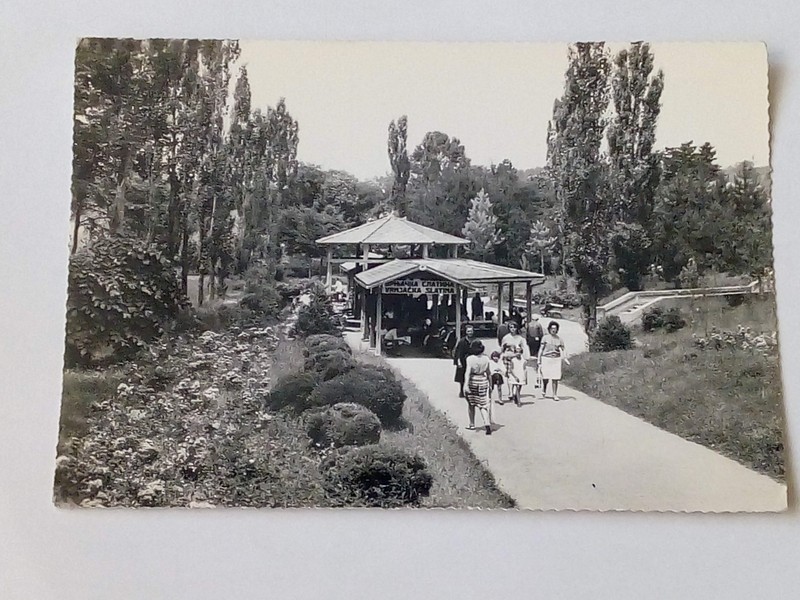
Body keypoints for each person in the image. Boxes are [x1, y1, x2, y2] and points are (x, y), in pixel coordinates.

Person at [464, 339, 492, 435]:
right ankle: (487, 423)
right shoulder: (486, 359)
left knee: (471, 404)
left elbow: (467, 373)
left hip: (473, 381)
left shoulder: (470, 359)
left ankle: (472, 424)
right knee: (483, 404)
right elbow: (489, 373)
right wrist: (490, 385)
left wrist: (465, 385)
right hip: (483, 381)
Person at [501, 321, 530, 406]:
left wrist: (526, 357)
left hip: (517, 358)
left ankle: (516, 393)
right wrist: (502, 355)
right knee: (509, 374)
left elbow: (524, 348)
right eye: (511, 327)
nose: (512, 329)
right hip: (508, 356)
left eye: (514, 327)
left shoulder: (520, 338)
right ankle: (511, 392)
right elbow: (502, 348)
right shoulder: (506, 337)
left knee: (518, 374)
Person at [537, 320, 568, 401]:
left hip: (556, 359)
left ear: (557, 329)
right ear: (549, 329)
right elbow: (541, 349)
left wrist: (565, 358)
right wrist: (538, 359)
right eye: (552, 328)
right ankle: (544, 389)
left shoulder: (559, 339)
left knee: (555, 378)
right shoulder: (545, 338)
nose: (553, 330)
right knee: (545, 377)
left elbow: (563, 349)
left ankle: (554, 394)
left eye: (555, 328)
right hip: (546, 358)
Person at [452, 325, 476, 398]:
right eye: (468, 331)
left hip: (472, 360)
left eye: (471, 331)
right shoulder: (462, 341)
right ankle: (462, 391)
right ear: (465, 332)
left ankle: (471, 390)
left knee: (472, 376)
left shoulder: (475, 341)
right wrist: (458, 361)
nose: (470, 333)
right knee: (462, 377)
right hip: (463, 360)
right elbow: (458, 352)